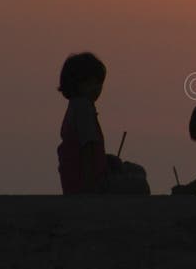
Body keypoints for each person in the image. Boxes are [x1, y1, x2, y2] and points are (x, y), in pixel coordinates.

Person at [56, 52, 150, 195]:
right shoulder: (83, 109)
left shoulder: (74, 108)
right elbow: (87, 150)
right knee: (141, 184)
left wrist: (106, 161)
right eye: (93, 83)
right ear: (79, 82)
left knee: (135, 170)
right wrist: (90, 189)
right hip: (92, 184)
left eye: (99, 83)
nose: (98, 88)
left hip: (78, 182)